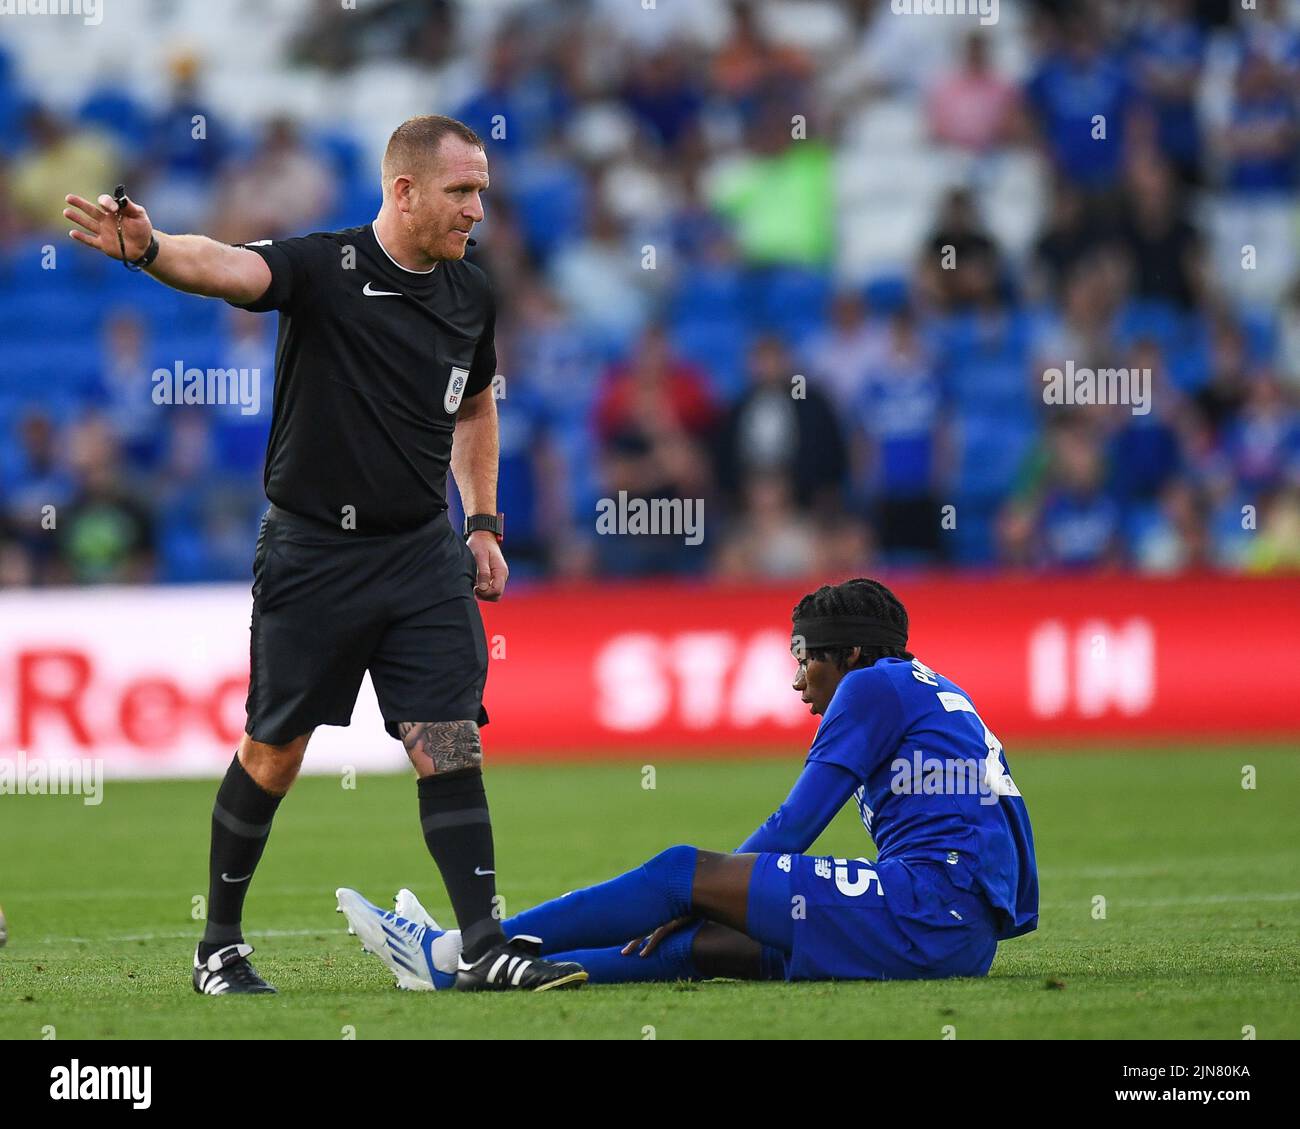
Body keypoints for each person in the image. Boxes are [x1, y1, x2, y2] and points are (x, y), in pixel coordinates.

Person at [63, 114, 586, 994]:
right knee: (276, 749)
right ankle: (218, 948)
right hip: (313, 552)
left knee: (448, 739)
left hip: (422, 550)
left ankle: (485, 940)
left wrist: (484, 521)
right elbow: (230, 266)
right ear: (404, 189)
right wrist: (151, 249)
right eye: (462, 191)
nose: (477, 210)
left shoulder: (471, 294)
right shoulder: (325, 267)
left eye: (484, 191)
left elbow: (475, 407)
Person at [339, 577, 1038, 987]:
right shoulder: (938, 690)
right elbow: (1013, 824)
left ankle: (460, 950)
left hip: (926, 907)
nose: (797, 678)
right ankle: (483, 975)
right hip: (957, 933)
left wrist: (706, 891)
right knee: (699, 947)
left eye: (806, 659)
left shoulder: (873, 687)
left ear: (849, 652)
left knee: (679, 872)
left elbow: (795, 825)